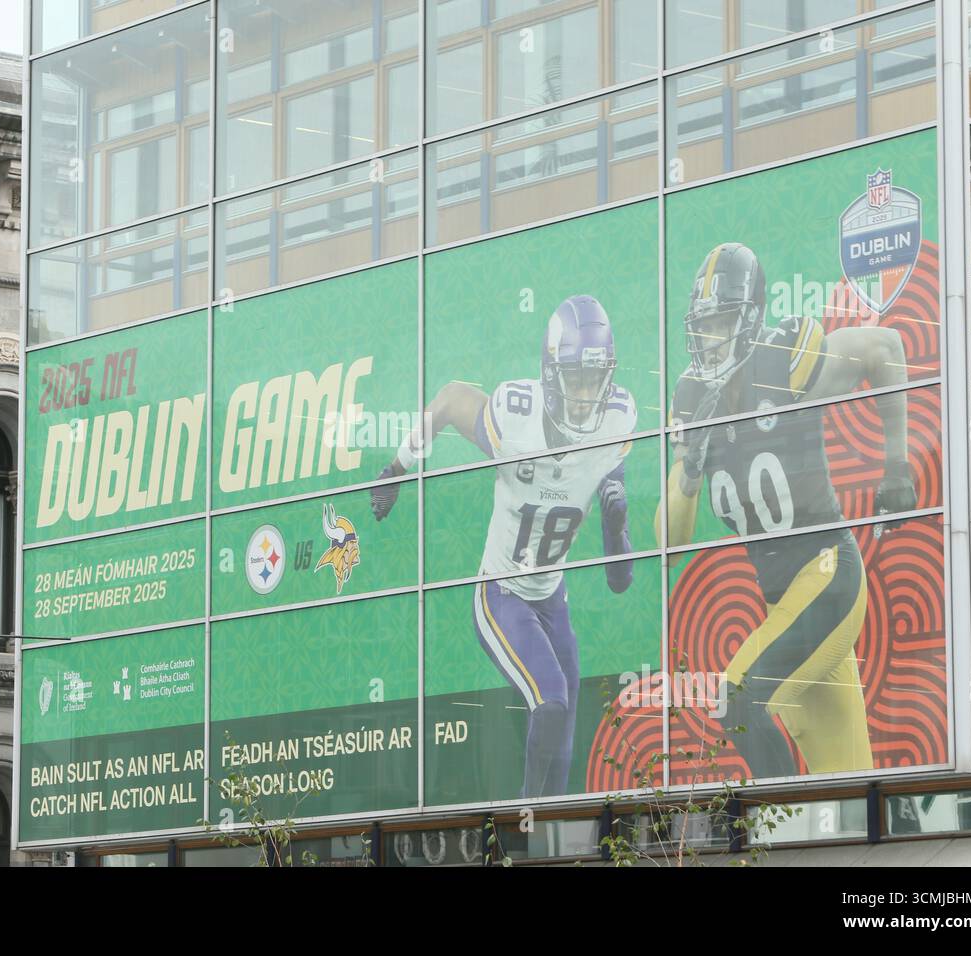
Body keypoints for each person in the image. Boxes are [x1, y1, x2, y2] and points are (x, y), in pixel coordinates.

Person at [658, 242, 917, 778]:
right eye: (703, 325)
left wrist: (897, 466)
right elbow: (670, 542)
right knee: (851, 790)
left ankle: (773, 837)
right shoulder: (690, 397)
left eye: (722, 320)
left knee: (737, 697)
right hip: (789, 606)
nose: (709, 338)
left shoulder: (782, 361)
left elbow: (885, 347)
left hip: (827, 573)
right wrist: (688, 469)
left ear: (749, 319)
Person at [371, 294, 637, 797]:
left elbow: (620, 579)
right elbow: (449, 400)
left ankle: (551, 829)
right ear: (551, 373)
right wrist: (397, 469)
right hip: (503, 593)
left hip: (552, 598)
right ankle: (528, 827)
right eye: (575, 378)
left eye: (593, 379)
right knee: (551, 701)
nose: (585, 393)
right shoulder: (516, 418)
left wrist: (615, 524)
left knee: (564, 732)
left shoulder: (615, 423)